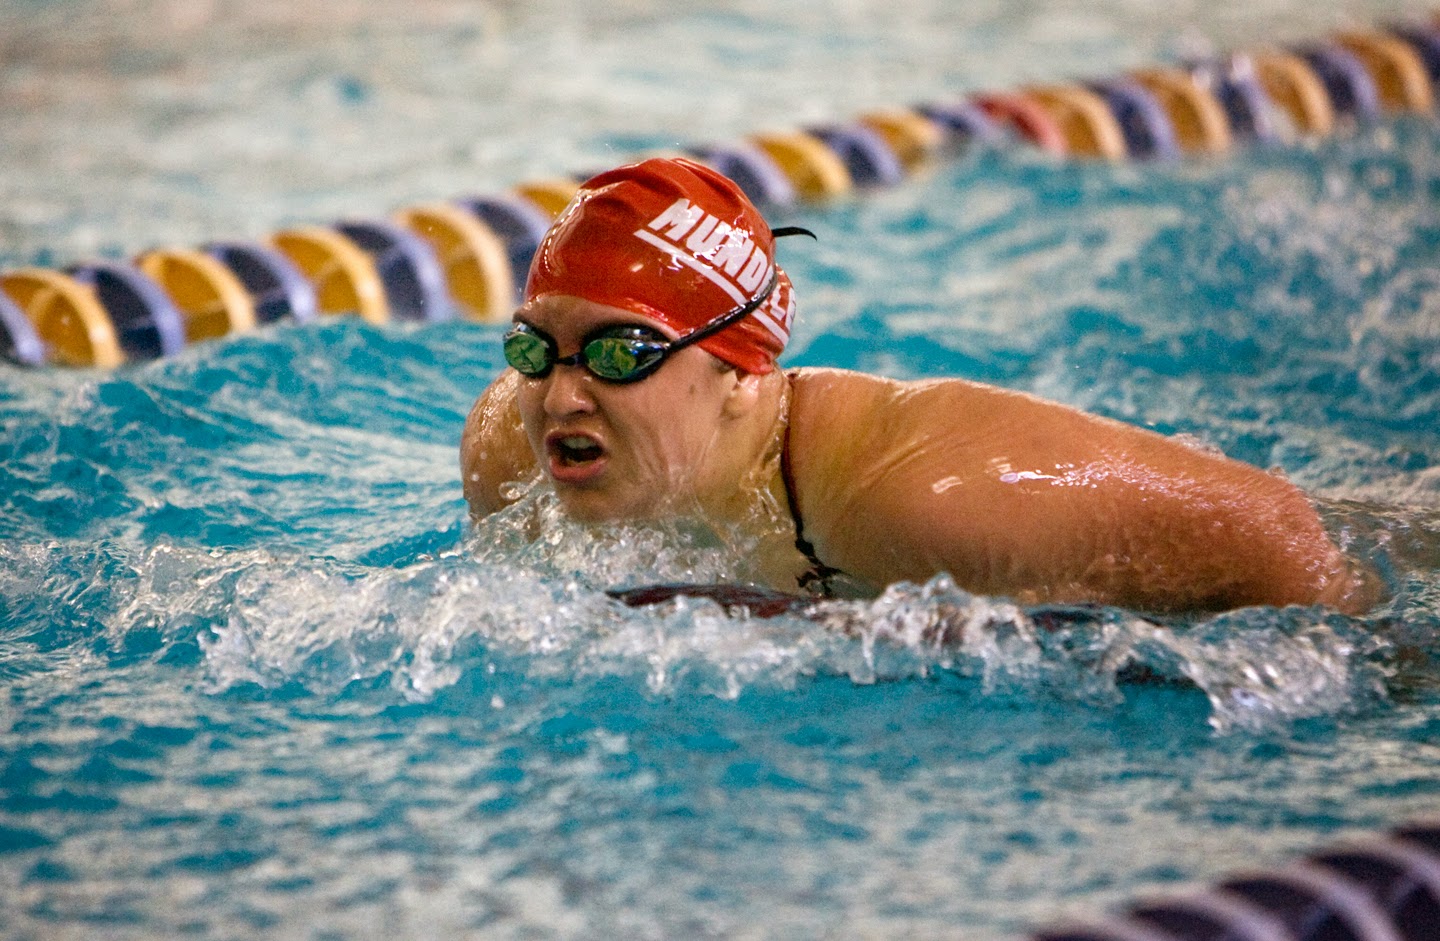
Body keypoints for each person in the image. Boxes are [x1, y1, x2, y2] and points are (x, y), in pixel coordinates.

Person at [460, 156, 1373, 615]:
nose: (562, 397)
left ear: (740, 368)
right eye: (537, 349)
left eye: (620, 352)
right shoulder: (514, 447)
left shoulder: (927, 493)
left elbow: (1278, 531)